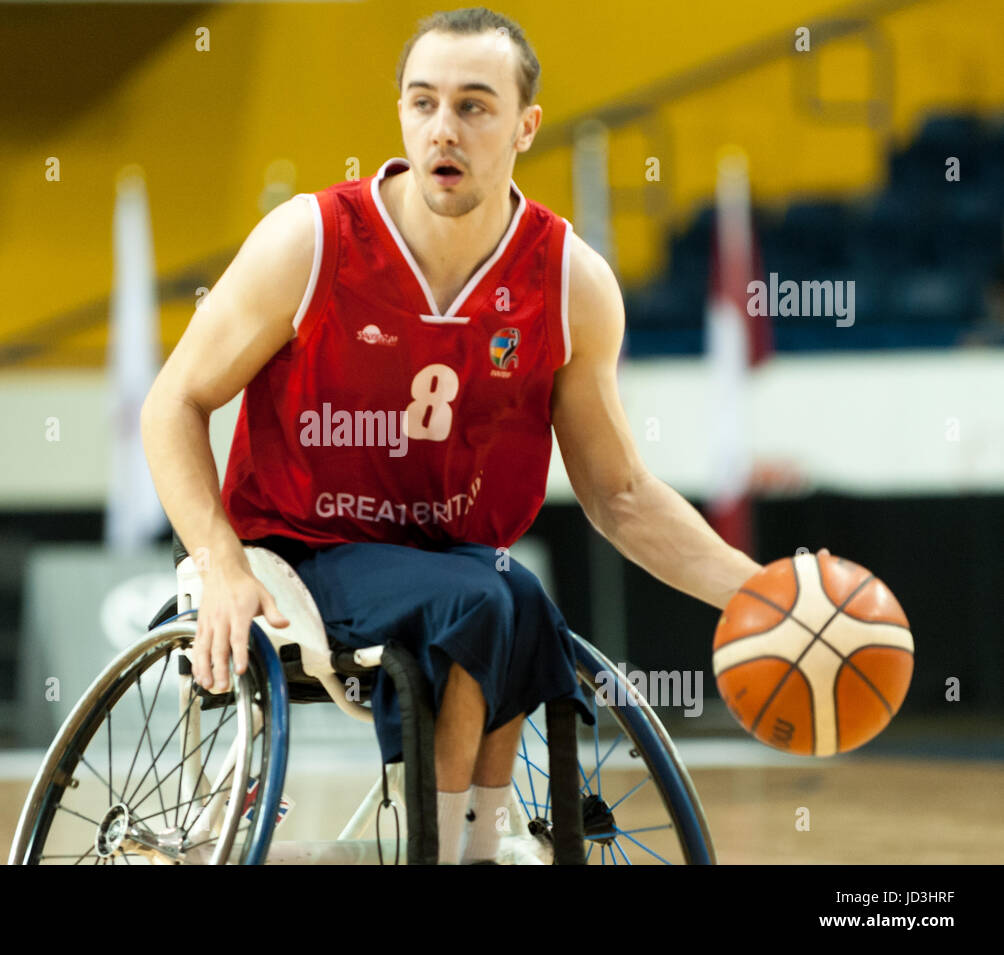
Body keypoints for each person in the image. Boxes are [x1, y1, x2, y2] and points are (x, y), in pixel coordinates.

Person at [141, 7, 763, 863]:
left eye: (474, 105)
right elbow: (171, 402)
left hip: (449, 559)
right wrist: (219, 562)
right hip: (303, 546)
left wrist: (759, 596)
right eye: (424, 102)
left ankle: (475, 838)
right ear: (400, 112)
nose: (445, 127)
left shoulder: (569, 281)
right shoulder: (312, 240)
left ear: (524, 126)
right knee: (474, 601)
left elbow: (619, 493)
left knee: (519, 598)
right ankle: (445, 848)